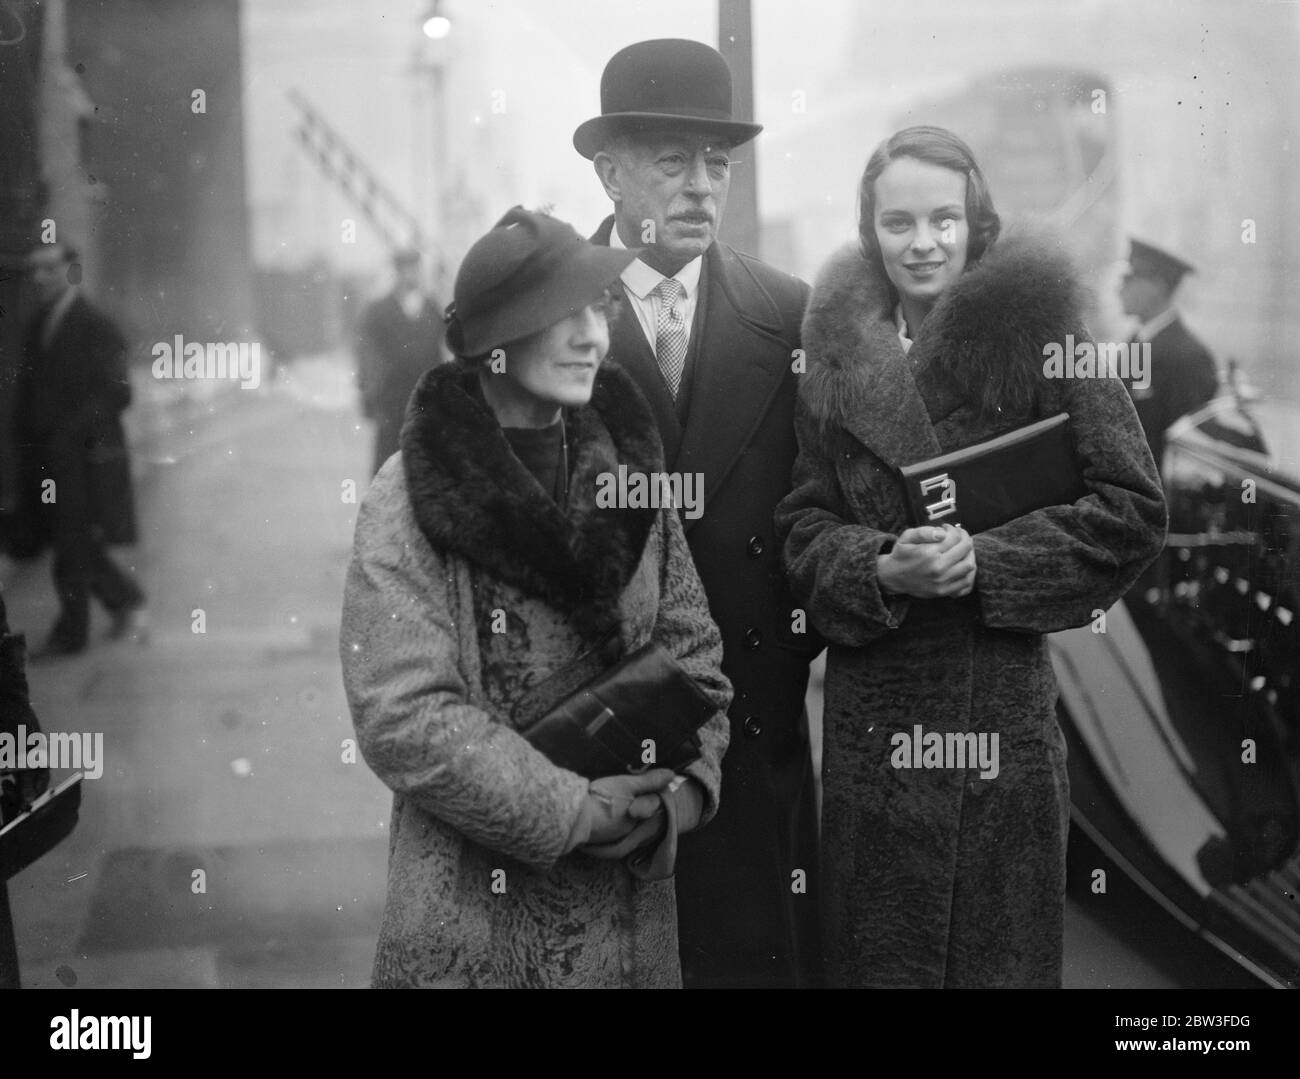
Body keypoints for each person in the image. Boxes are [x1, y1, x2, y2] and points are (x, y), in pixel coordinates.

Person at [775, 126, 1168, 988]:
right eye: (899, 223)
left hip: (998, 734)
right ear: (869, 229)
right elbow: (801, 525)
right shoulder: (835, 355)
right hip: (873, 740)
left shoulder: (1039, 330)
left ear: (975, 220)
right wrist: (879, 564)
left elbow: (1132, 506)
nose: (923, 244)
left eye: (944, 220)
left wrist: (987, 561)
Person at [338, 207, 732, 989]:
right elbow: (401, 713)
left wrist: (675, 801)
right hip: (472, 921)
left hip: (627, 924)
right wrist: (573, 809)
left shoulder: (629, 470)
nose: (593, 335)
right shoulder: (410, 492)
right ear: (494, 339)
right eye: (564, 313)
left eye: (600, 308)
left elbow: (698, 658)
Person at [576, 37, 823, 987]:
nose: (699, 187)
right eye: (671, 160)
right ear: (609, 172)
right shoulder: (545, 320)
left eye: (715, 162)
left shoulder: (788, 314)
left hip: (752, 743)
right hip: (596, 754)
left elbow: (820, 517)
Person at [15, 242, 145, 658]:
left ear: (72, 272)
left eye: (49, 269)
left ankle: (70, 634)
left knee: (70, 545)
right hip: (50, 458)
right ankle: (122, 598)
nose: (39, 278)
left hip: (84, 460)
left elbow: (119, 392)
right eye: (35, 270)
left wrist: (72, 430)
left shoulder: (94, 324)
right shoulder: (39, 323)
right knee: (70, 540)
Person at [1119, 237, 1220, 468]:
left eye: (1130, 278)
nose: (1120, 287)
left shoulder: (1189, 358)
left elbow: (1184, 452)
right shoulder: (1135, 342)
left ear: (1158, 286)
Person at [355, 248, 446, 476]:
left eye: (414, 269)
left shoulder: (433, 307)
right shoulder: (378, 310)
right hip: (391, 400)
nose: (410, 275)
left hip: (425, 400)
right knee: (388, 467)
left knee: (428, 466)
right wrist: (368, 395)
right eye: (405, 270)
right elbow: (366, 354)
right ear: (396, 272)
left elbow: (446, 348)